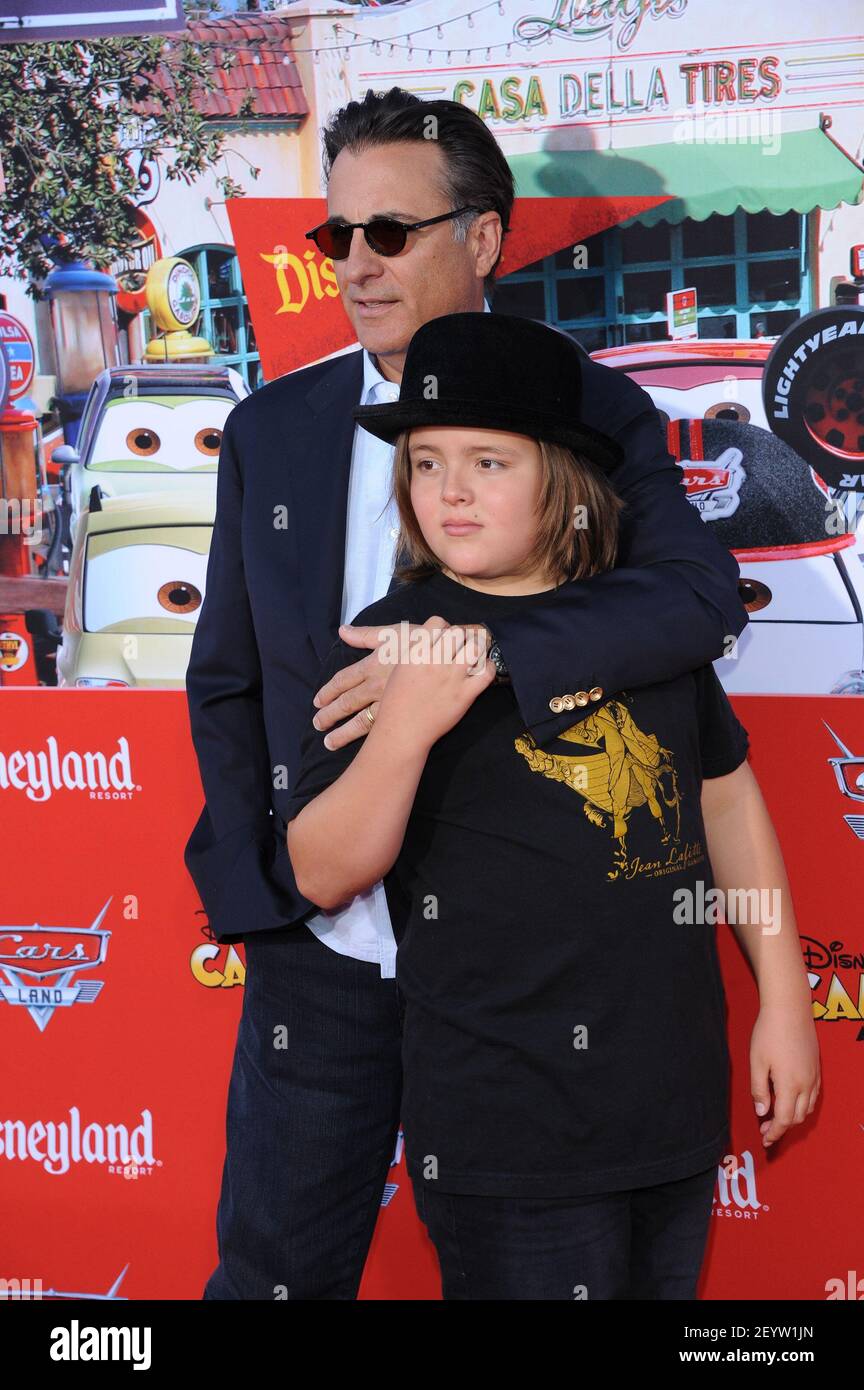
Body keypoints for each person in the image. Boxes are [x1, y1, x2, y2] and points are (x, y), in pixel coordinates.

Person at [184, 87, 749, 1300]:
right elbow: (229, 680)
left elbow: (699, 598)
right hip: (327, 959)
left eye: (391, 232)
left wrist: (480, 647)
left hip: (531, 993)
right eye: (337, 237)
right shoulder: (270, 430)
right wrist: (263, 892)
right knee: (272, 1271)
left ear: (483, 239)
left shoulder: (592, 411)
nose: (357, 265)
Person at [284, 311, 821, 1301]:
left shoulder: (641, 619)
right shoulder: (389, 636)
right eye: (427, 460)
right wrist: (407, 724)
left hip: (672, 1106)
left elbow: (726, 796)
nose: (449, 489)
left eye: (489, 461)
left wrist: (784, 999)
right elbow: (320, 867)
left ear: (565, 482)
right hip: (506, 1134)